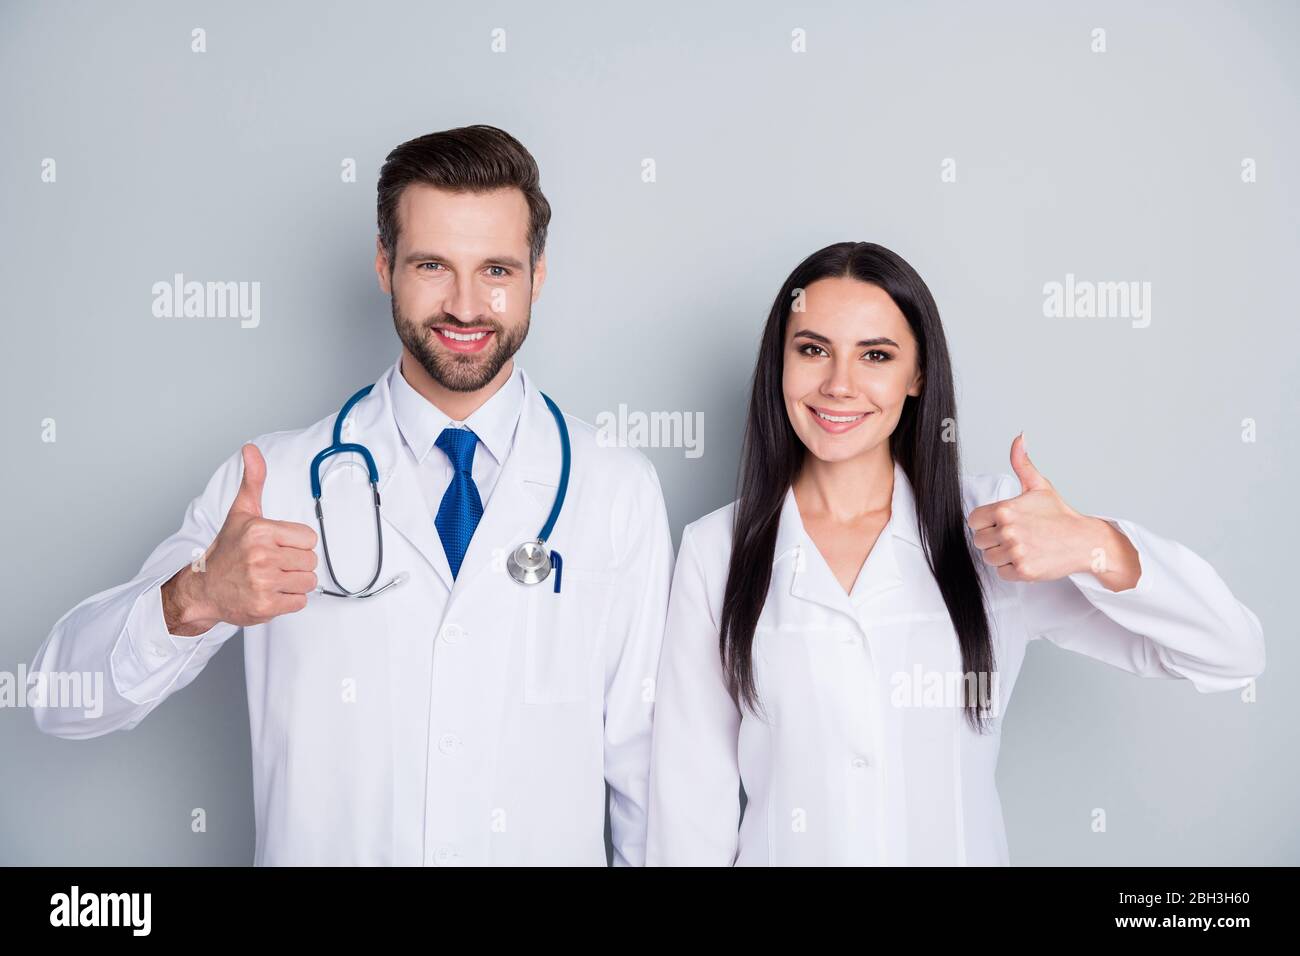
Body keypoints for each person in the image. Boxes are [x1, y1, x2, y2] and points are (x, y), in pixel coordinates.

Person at [30, 125, 673, 867]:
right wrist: (197, 596)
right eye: (432, 265)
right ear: (383, 265)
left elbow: (648, 781)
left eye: (496, 268)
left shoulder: (615, 489)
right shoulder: (273, 482)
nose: (466, 306)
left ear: (538, 273)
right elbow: (58, 699)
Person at [645, 241, 1264, 866]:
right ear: (778, 363)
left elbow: (1230, 652)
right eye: (812, 350)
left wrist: (1095, 545)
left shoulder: (995, 530)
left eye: (876, 356)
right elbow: (689, 808)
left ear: (917, 376)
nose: (839, 384)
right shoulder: (715, 552)